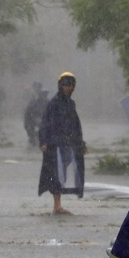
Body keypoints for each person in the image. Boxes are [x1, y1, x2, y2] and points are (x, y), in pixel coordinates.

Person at [37, 72, 86, 214]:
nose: (69, 88)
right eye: (66, 85)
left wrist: (80, 143)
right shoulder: (53, 104)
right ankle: (56, 205)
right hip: (54, 145)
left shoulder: (71, 104)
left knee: (63, 173)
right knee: (55, 174)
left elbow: (76, 125)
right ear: (61, 86)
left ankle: (58, 205)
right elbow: (45, 124)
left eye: (71, 85)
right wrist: (44, 141)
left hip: (68, 145)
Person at [23, 82, 48, 147]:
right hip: (32, 123)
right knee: (32, 138)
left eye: (45, 94)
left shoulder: (49, 103)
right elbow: (28, 114)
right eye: (42, 94)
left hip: (43, 124)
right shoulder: (33, 102)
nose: (43, 96)